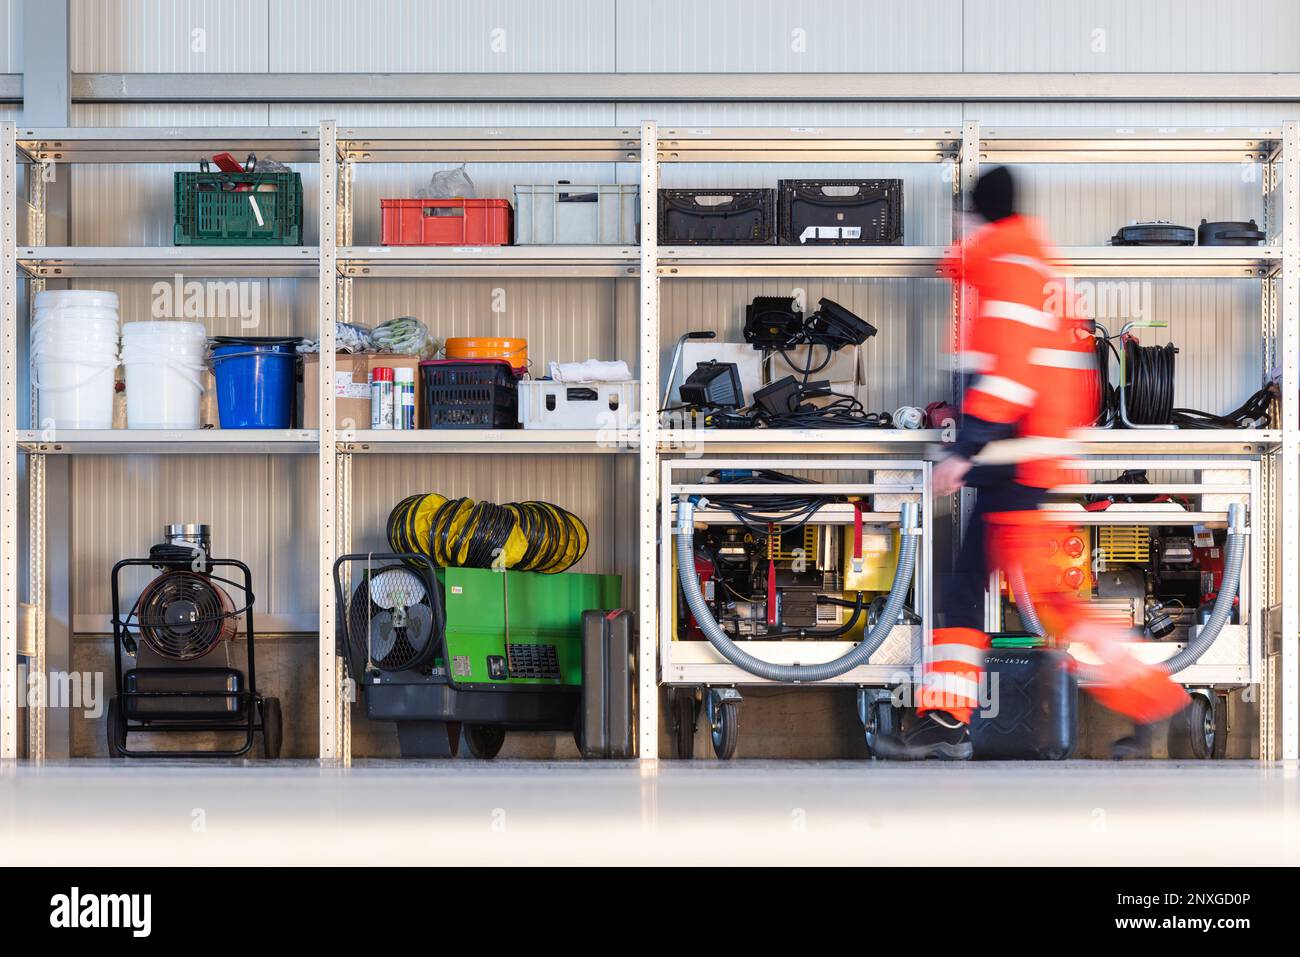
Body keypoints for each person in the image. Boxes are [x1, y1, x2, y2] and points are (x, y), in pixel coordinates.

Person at [874, 166, 1190, 760]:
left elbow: (1010, 377)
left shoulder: (1008, 272)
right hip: (1023, 463)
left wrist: (962, 451)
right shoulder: (1031, 267)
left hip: (1014, 465)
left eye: (963, 214)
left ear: (979, 213)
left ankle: (1149, 697)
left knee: (1040, 602)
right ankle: (945, 716)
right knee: (981, 588)